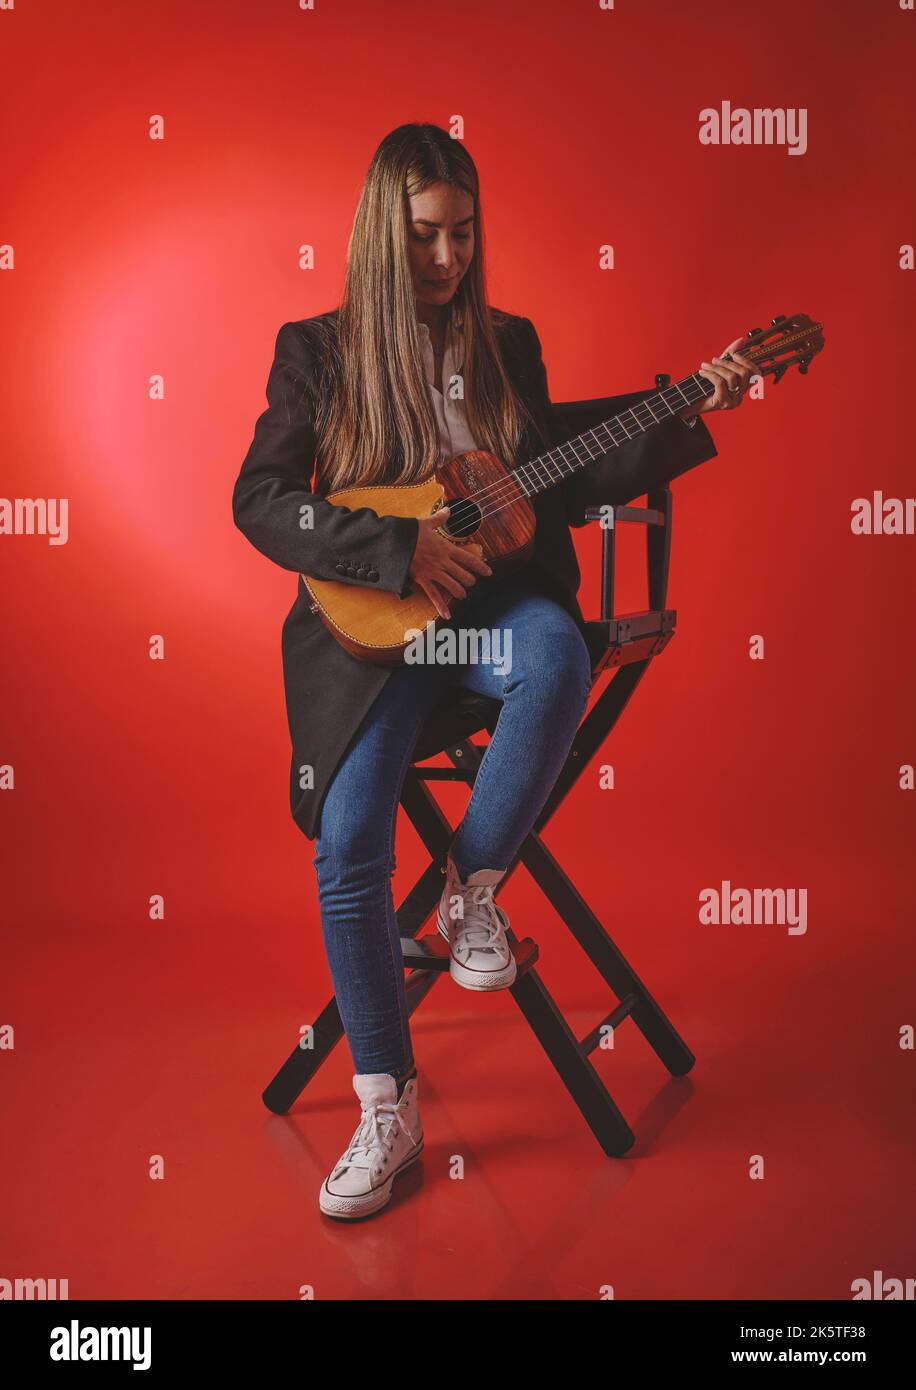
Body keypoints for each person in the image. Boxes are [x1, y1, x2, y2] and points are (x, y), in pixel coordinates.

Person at [232, 123, 755, 1220]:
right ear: (386, 232)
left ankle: (473, 894)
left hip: (490, 623)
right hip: (377, 640)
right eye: (424, 236)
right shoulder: (316, 349)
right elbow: (262, 500)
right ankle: (386, 1103)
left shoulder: (506, 343)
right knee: (349, 833)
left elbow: (554, 470)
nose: (447, 259)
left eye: (464, 234)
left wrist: (686, 404)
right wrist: (393, 549)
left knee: (557, 644)